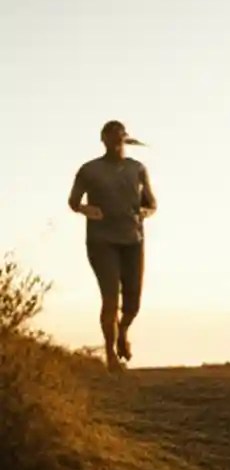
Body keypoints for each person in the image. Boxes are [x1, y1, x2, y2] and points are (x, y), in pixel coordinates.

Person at [67, 120, 156, 373]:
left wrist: (144, 213)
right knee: (109, 298)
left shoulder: (137, 169)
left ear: (125, 139)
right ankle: (110, 356)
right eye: (110, 137)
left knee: (133, 303)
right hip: (101, 241)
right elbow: (73, 201)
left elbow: (152, 204)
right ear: (103, 139)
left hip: (133, 240)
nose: (115, 141)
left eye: (119, 137)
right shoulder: (89, 170)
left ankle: (122, 331)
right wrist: (86, 208)